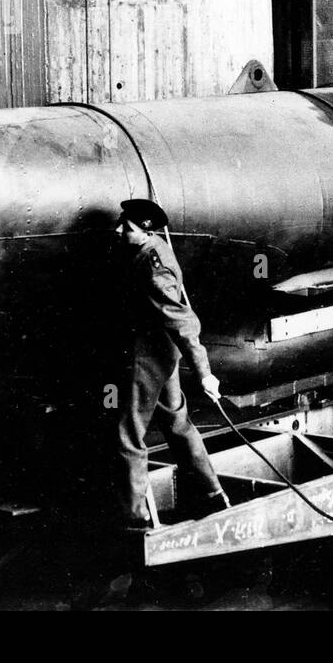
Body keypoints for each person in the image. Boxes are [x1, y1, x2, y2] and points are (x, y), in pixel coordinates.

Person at [114, 198, 230, 528]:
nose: (119, 230)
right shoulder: (156, 248)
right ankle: (213, 496)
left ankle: (134, 519)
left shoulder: (152, 262)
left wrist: (205, 373)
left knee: (128, 435)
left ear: (145, 230)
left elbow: (180, 318)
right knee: (178, 424)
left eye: (127, 227)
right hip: (164, 356)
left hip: (148, 358)